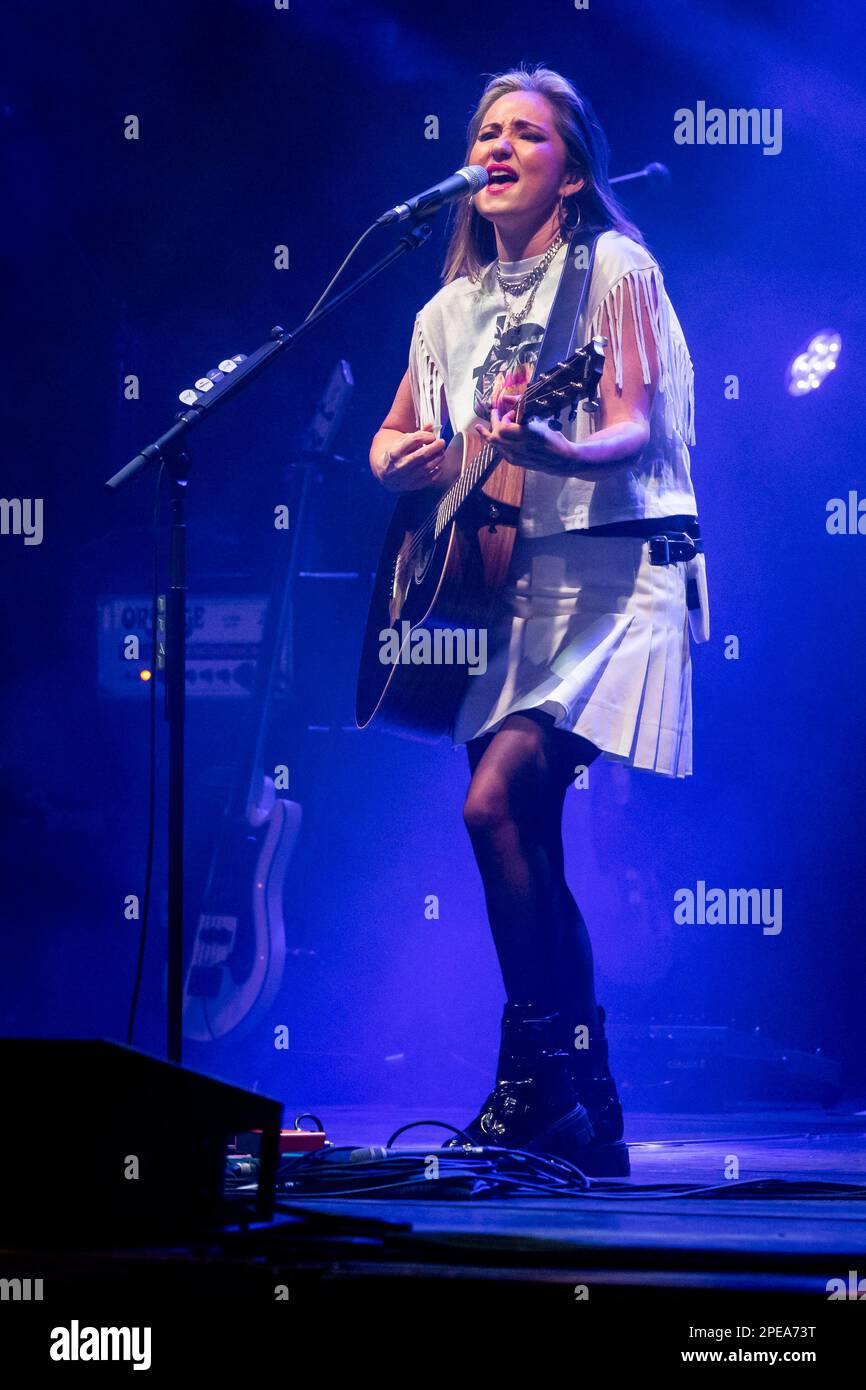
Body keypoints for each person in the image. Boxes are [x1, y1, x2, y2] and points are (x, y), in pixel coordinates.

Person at [368, 65, 707, 1176]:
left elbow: (627, 419)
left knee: (493, 800)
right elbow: (392, 437)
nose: (499, 145)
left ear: (570, 168)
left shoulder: (610, 269)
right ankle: (585, 1100)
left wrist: (552, 448)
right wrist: (402, 460)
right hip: (494, 582)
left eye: (526, 132)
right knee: (526, 835)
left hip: (609, 577)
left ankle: (533, 1084)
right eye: (485, 131)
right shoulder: (444, 310)